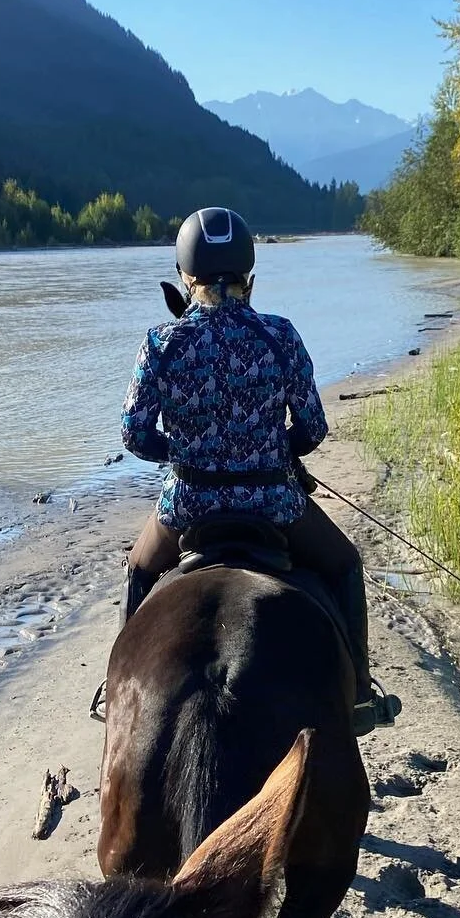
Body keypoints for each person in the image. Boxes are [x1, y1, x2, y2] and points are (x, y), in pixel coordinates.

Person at [119, 205, 395, 734]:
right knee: (344, 565)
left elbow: (133, 434)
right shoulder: (279, 334)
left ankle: (118, 699)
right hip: (274, 502)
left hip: (188, 504)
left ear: (185, 275)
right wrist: (275, 454)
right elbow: (312, 427)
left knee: (137, 570)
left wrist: (183, 454)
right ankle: (359, 691)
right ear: (248, 274)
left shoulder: (161, 342)